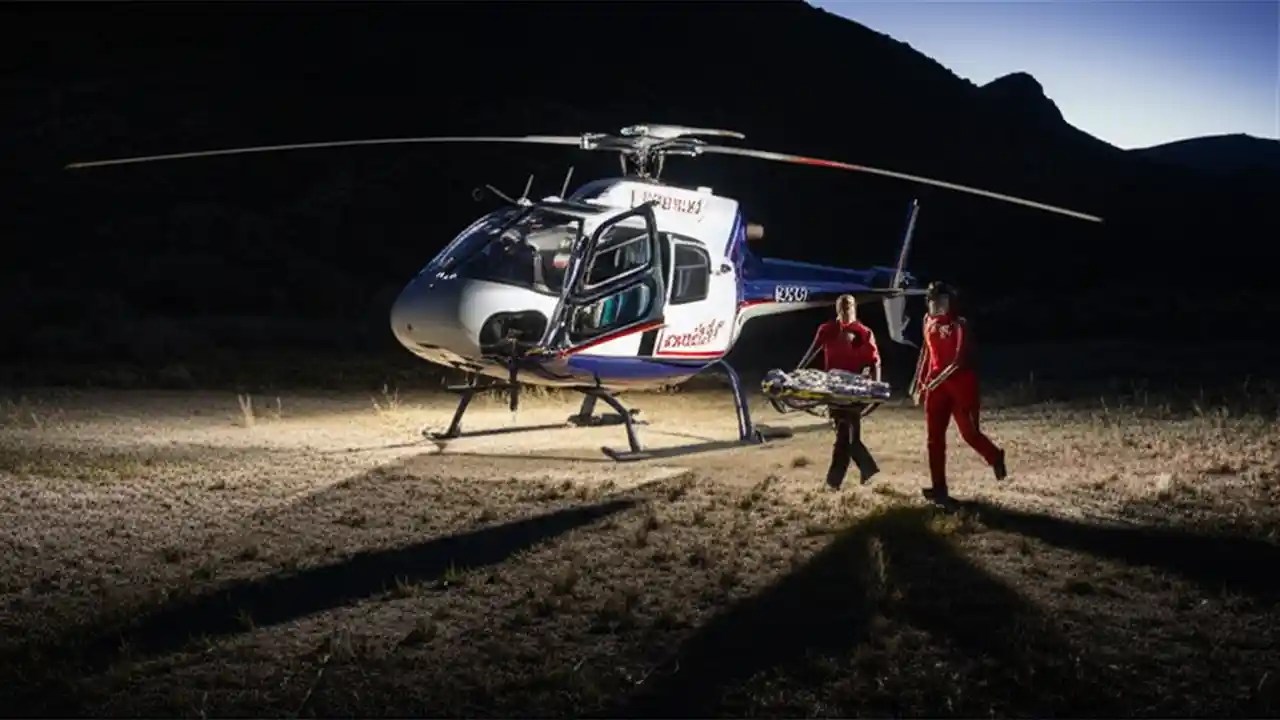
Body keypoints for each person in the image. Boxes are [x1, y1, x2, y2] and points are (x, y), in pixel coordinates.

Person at [910, 281, 1007, 505]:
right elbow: (926, 353)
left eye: (942, 301)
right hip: (937, 389)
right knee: (934, 439)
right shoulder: (927, 321)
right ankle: (939, 488)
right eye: (934, 301)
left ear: (951, 301)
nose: (938, 306)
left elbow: (958, 361)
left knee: (969, 433)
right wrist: (918, 384)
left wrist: (933, 382)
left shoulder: (959, 324)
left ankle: (994, 456)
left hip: (962, 386)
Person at [797, 294, 881, 489]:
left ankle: (834, 482)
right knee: (849, 437)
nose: (845, 311)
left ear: (855, 309)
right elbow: (812, 351)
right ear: (837, 310)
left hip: (855, 392)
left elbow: (874, 362)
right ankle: (867, 470)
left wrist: (876, 387)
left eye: (849, 307)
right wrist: (796, 374)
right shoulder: (827, 330)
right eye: (842, 307)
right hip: (833, 390)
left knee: (844, 435)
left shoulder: (864, 333)